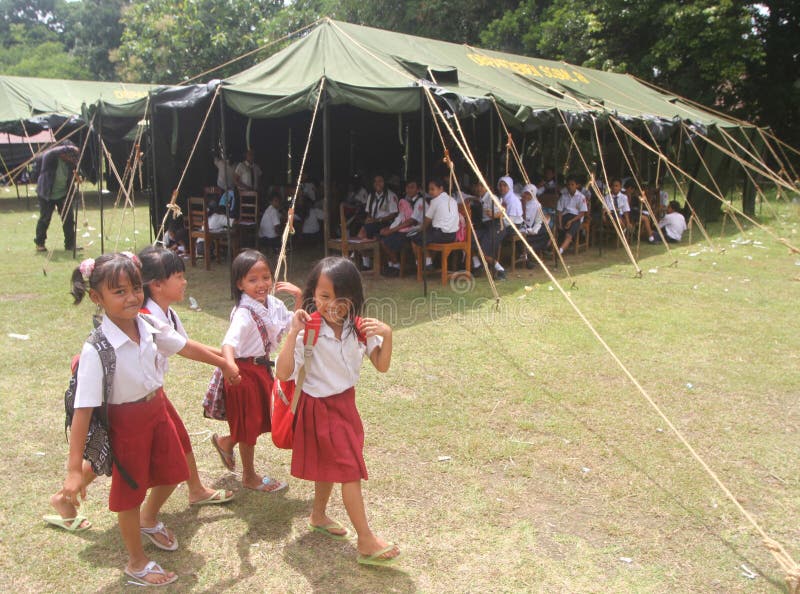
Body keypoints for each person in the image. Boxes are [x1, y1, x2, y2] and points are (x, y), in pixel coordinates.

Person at [57, 253, 239, 586]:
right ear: (97, 298)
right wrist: (73, 470)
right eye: (119, 292)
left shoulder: (148, 324)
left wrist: (223, 363)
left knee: (174, 471)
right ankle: (137, 562)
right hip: (126, 424)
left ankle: (148, 518)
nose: (131, 297)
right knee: (130, 493)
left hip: (156, 411)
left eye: (135, 288)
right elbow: (83, 411)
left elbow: (183, 347)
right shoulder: (97, 349)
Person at [275, 256, 401, 566]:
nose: (332, 304)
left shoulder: (359, 328)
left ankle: (318, 516)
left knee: (331, 466)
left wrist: (388, 334)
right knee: (349, 470)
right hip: (319, 410)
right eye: (323, 296)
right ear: (312, 295)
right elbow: (282, 373)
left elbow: (381, 366)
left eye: (340, 297)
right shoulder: (309, 332)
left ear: (353, 298)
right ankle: (366, 540)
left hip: (346, 406)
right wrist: (293, 334)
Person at [139, 247, 235, 505]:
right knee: (121, 452)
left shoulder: (167, 312)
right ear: (157, 285)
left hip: (151, 391)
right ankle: (68, 492)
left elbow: (187, 342)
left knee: (179, 436)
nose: (185, 282)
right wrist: (225, 363)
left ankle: (196, 490)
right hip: (137, 397)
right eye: (179, 277)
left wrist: (234, 357)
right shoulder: (147, 318)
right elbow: (186, 349)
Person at [209, 250, 301, 493]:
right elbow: (228, 344)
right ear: (240, 284)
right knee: (249, 425)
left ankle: (225, 441)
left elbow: (296, 325)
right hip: (243, 373)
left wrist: (299, 297)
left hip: (260, 369)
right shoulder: (244, 313)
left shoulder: (274, 304)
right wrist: (229, 367)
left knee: (258, 419)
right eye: (253, 280)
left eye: (266, 277)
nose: (261, 284)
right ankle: (249, 476)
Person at [34, 141, 81, 252]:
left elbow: (76, 169)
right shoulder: (50, 158)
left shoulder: (70, 163)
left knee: (68, 219)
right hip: (47, 193)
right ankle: (40, 243)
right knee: (45, 219)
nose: (70, 157)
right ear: (62, 152)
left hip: (63, 194)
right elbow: (51, 151)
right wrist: (71, 147)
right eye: (68, 154)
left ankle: (70, 245)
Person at [411, 178, 460, 269]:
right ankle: (428, 262)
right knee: (427, 237)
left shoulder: (435, 201)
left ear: (441, 189)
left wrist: (420, 229)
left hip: (441, 235)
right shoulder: (452, 200)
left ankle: (424, 264)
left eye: (432, 189)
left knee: (415, 238)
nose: (430, 192)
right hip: (452, 236)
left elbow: (426, 221)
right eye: (429, 189)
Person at [380, 180, 421, 275]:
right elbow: (401, 217)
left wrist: (392, 231)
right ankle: (393, 264)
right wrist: (389, 228)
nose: (409, 190)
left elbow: (411, 221)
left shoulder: (420, 201)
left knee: (385, 241)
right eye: (407, 187)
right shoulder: (406, 200)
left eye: (412, 187)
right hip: (405, 230)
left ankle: (396, 265)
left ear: (418, 189)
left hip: (414, 232)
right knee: (382, 238)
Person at [357, 175, 398, 269]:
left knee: (364, 233)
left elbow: (394, 214)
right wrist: (368, 219)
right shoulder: (371, 196)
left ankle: (368, 263)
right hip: (374, 223)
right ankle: (366, 261)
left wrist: (377, 220)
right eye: (375, 181)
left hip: (386, 222)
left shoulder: (391, 195)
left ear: (385, 183)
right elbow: (369, 213)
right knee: (360, 236)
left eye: (380, 181)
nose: (378, 183)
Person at [470, 181, 508, 279]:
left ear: (488, 187)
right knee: (470, 239)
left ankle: (500, 269)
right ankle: (477, 265)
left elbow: (503, 211)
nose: (479, 188)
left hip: (497, 226)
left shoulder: (492, 197)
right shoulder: (480, 198)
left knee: (483, 252)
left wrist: (493, 215)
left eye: (482, 186)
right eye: (478, 186)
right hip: (486, 227)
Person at [520, 183, 550, 267]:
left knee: (546, 232)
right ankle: (526, 254)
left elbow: (538, 221)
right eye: (525, 193)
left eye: (529, 194)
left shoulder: (537, 205)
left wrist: (534, 230)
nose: (526, 196)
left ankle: (530, 249)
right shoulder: (520, 202)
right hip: (521, 226)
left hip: (532, 227)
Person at [557, 176, 588, 254]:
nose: (570, 186)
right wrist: (560, 224)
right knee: (556, 229)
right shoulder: (563, 196)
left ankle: (560, 250)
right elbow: (560, 212)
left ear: (577, 185)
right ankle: (550, 247)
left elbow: (582, 213)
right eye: (568, 185)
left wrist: (571, 221)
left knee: (568, 235)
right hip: (565, 216)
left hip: (576, 218)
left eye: (572, 184)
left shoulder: (581, 197)